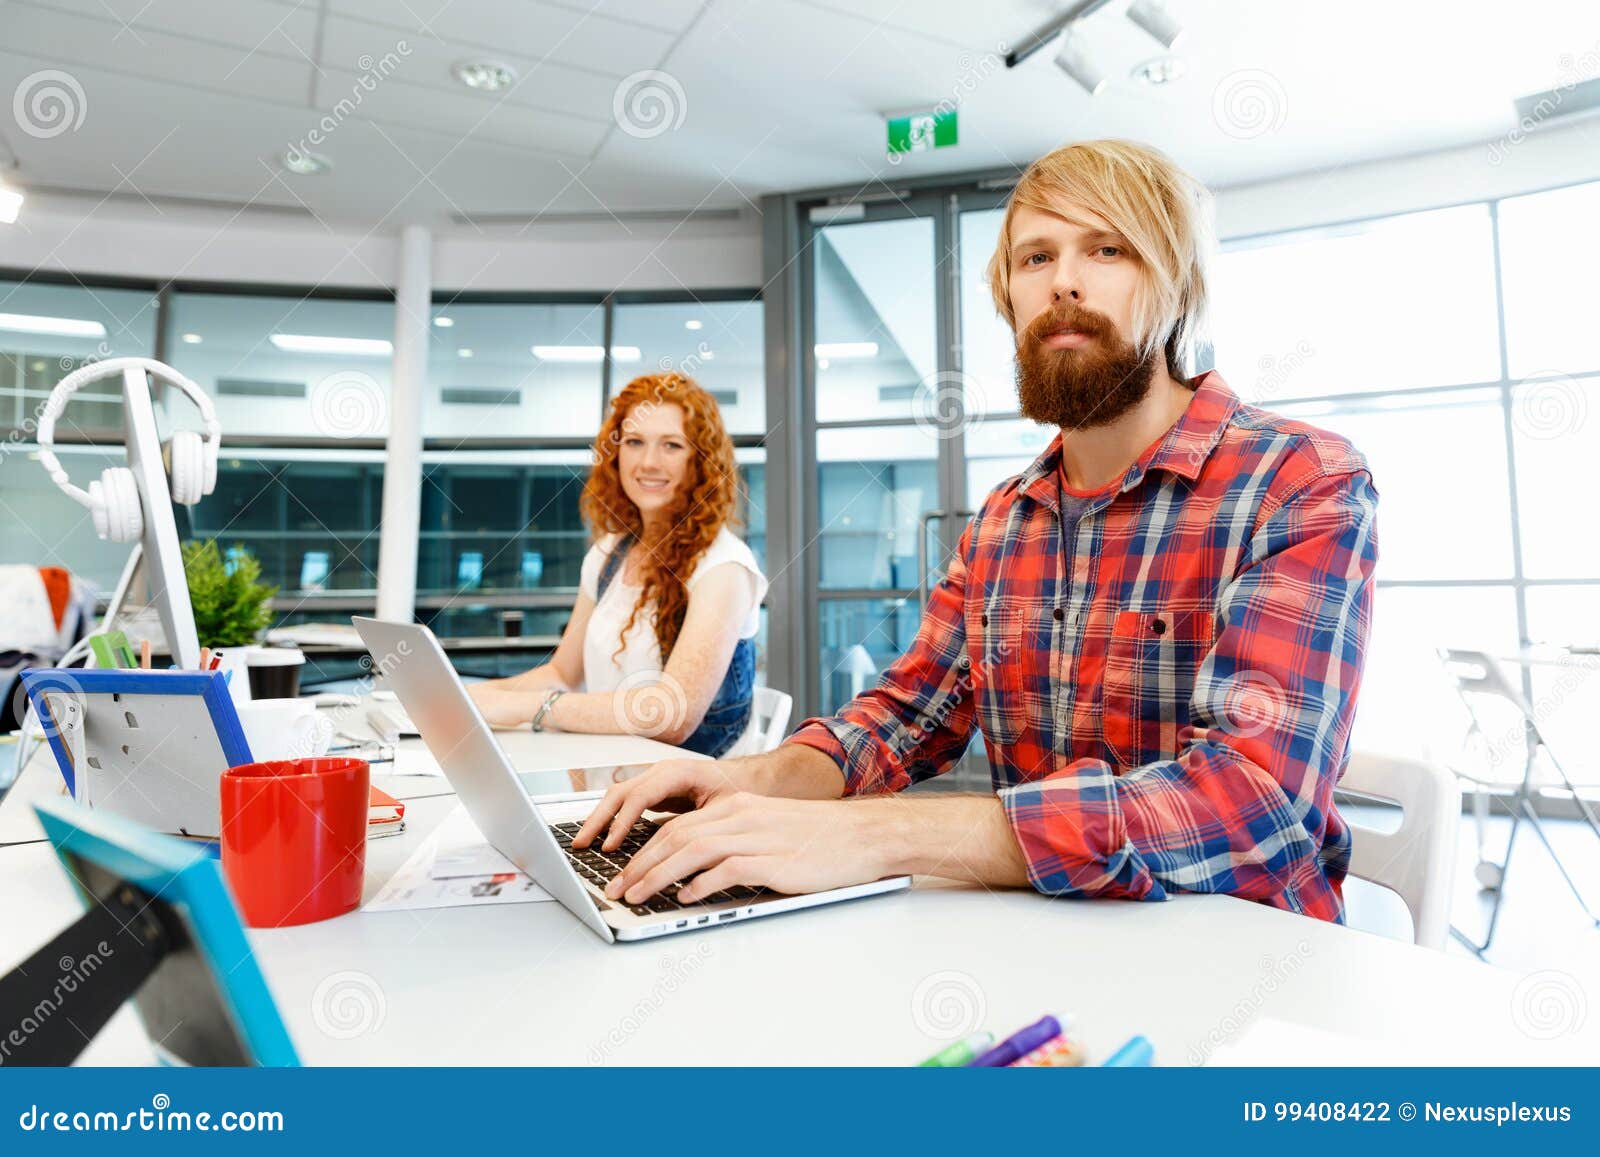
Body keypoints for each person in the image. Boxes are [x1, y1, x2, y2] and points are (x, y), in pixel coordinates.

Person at [573, 138, 1379, 924]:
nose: (1064, 281)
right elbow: (905, 714)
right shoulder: (1004, 520)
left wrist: (877, 835)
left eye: (1107, 250)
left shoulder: (1299, 483)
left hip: (1240, 960)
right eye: (1036, 258)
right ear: (1008, 295)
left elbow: (1254, 801)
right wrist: (759, 780)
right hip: (1047, 939)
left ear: (1175, 285)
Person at [468, 373, 767, 758]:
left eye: (672, 445)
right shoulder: (609, 553)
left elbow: (670, 715)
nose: (648, 462)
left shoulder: (724, 567)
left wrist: (535, 708)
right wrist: (465, 697)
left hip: (692, 799)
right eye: (634, 442)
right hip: (610, 774)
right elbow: (562, 674)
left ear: (701, 462)